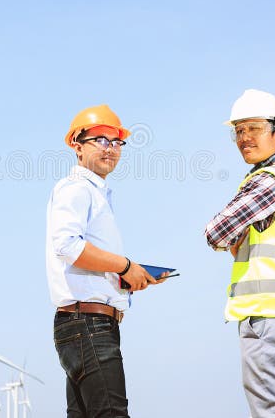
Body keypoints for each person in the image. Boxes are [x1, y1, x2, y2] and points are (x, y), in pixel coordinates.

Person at [46, 104, 165, 418]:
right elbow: (67, 246)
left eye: (116, 142)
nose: (109, 148)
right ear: (77, 146)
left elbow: (87, 259)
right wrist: (125, 266)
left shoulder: (95, 193)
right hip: (88, 325)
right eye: (100, 140)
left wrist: (128, 277)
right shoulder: (76, 189)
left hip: (87, 324)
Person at [204, 89, 275, 418]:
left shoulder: (268, 180)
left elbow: (216, 232)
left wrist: (231, 238)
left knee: (273, 413)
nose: (245, 138)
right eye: (239, 130)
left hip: (265, 315)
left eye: (254, 128)